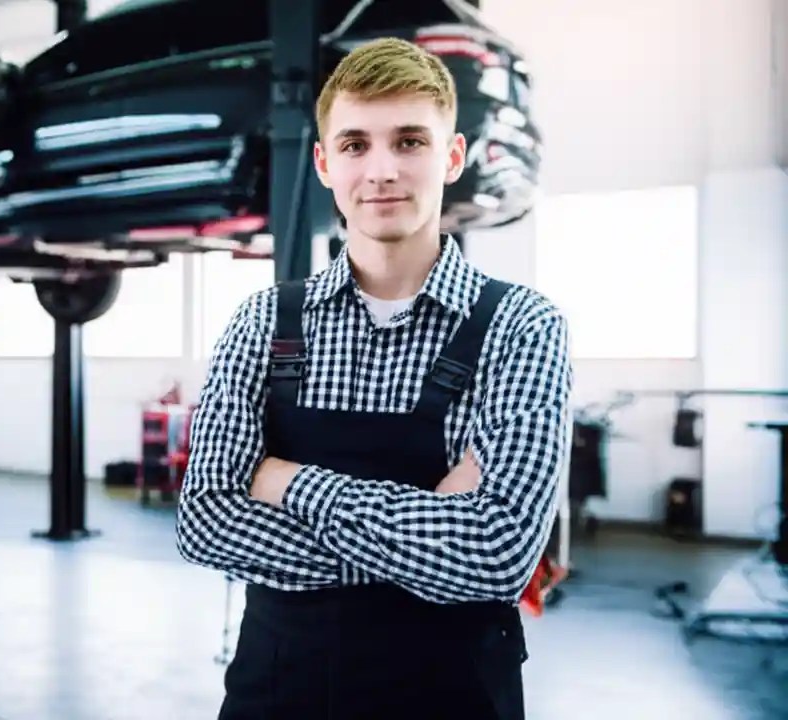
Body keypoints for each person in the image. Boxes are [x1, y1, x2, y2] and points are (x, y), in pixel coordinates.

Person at [175, 37, 572, 720]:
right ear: (325, 164)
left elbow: (497, 555)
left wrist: (285, 481)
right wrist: (430, 540)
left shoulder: (522, 326)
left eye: (410, 141)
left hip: (452, 697)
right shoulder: (265, 322)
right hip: (278, 692)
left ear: (451, 157)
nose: (382, 169)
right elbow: (207, 521)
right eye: (356, 144)